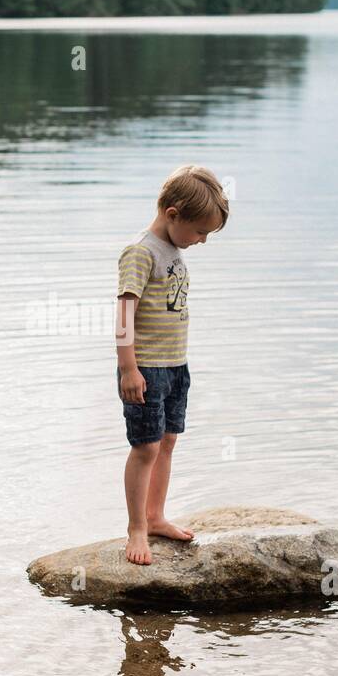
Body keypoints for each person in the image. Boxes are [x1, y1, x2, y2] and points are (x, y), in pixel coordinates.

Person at [116, 164, 229, 564]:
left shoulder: (175, 251)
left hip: (176, 365)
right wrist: (129, 368)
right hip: (145, 368)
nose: (201, 241)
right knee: (145, 447)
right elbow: (125, 313)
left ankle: (156, 515)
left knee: (166, 442)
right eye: (199, 231)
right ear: (173, 214)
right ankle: (136, 529)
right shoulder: (140, 252)